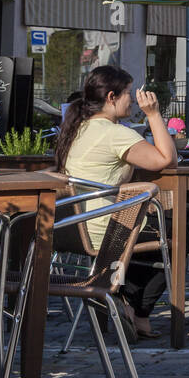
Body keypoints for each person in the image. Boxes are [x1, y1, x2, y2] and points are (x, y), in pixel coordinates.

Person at [54, 65, 178, 338]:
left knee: (154, 229)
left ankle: (119, 293)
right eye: (128, 95)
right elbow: (167, 160)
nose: (132, 100)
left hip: (73, 227)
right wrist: (154, 114)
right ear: (112, 97)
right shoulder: (115, 133)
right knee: (178, 233)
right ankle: (135, 309)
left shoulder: (78, 127)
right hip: (106, 231)